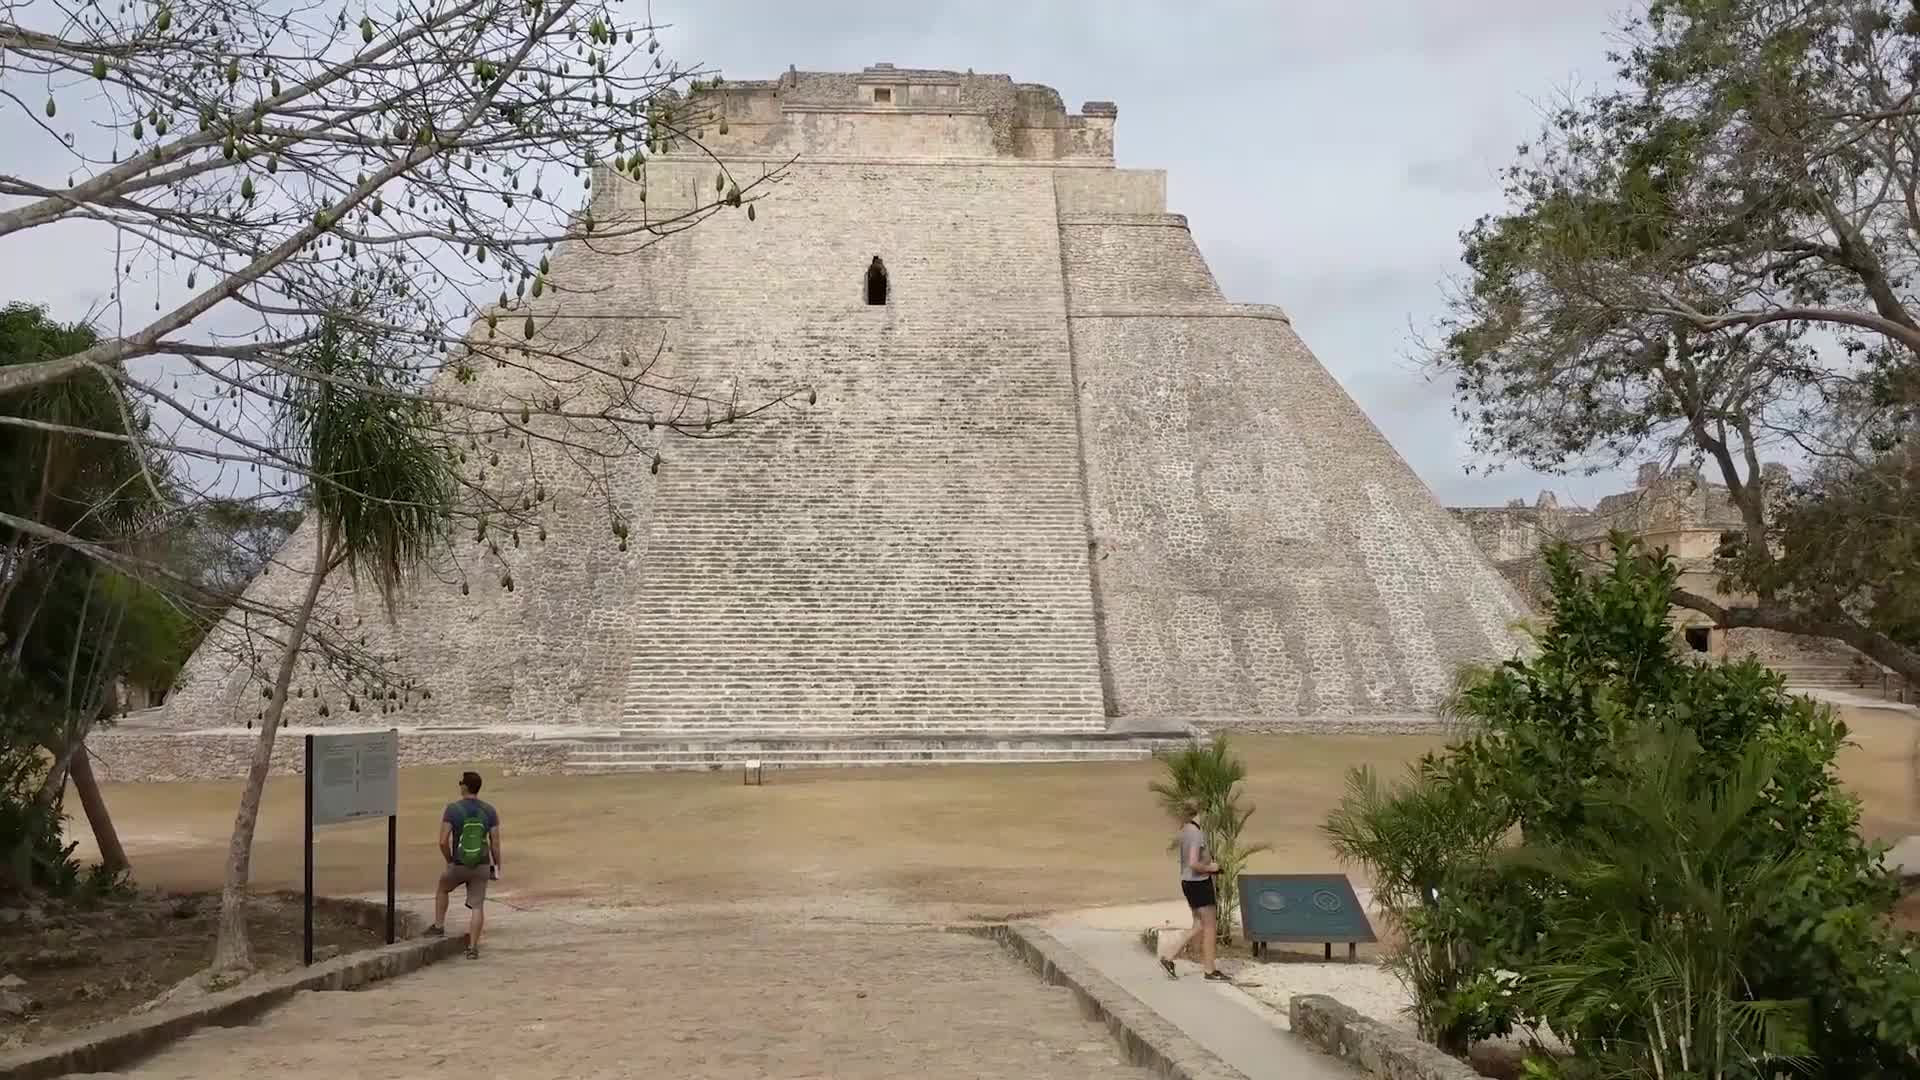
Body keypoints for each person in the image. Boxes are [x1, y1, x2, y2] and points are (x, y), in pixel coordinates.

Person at [426, 771, 501, 959]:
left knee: (443, 889)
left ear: (464, 786)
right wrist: (496, 866)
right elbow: (495, 843)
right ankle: (473, 948)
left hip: (458, 864)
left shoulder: (452, 809)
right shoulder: (490, 810)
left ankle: (438, 926)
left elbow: (443, 841)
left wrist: (450, 861)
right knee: (477, 906)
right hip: (481, 864)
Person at [1156, 798, 1227, 981]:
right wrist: (1212, 868)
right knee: (1210, 927)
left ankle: (1169, 957)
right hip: (1199, 883)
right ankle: (1210, 971)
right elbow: (1194, 863)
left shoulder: (1185, 830)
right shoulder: (1195, 833)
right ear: (1203, 812)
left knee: (1198, 925)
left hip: (1188, 883)